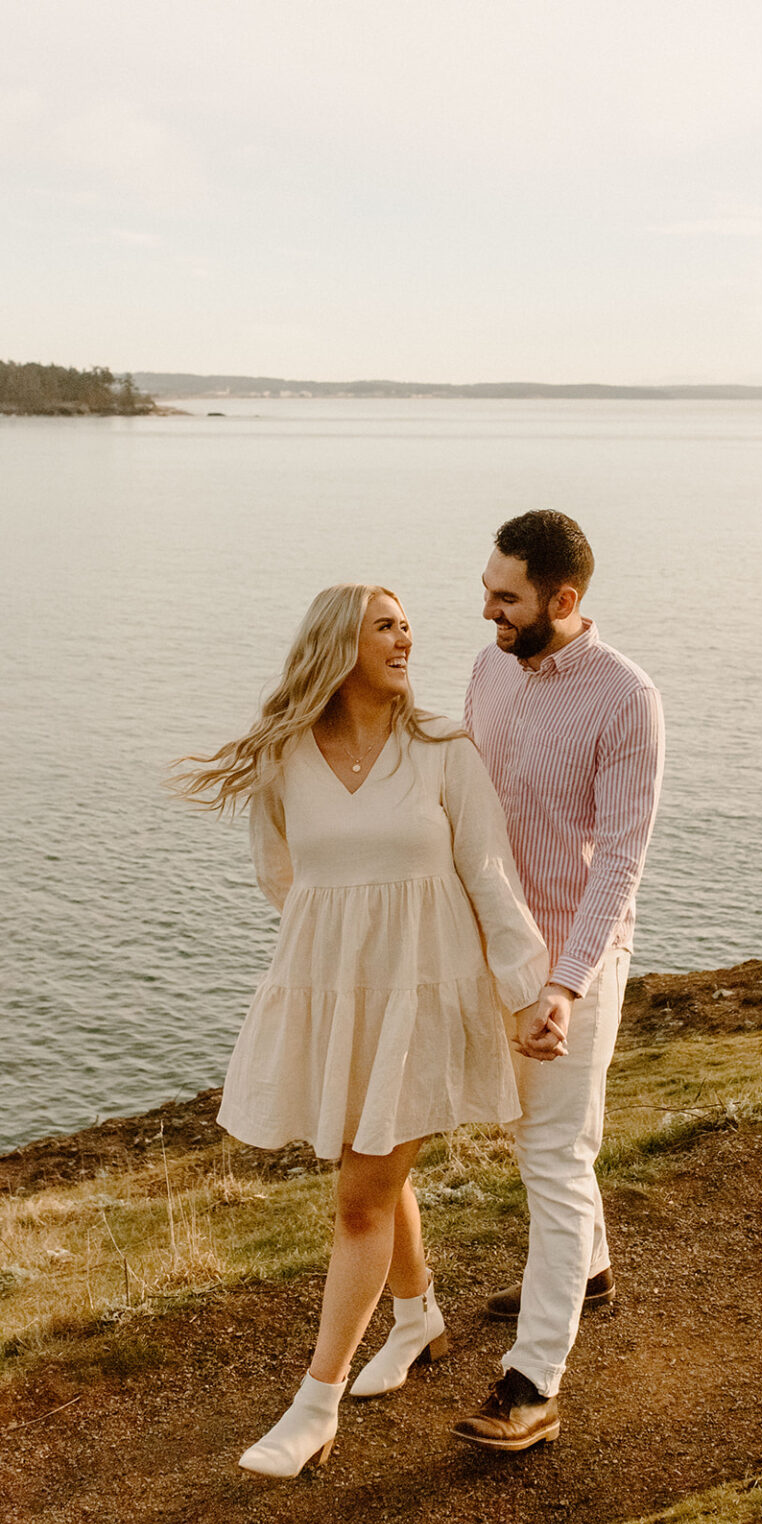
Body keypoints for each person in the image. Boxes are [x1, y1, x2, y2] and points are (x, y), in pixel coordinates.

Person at [173, 583, 547, 1478]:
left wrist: (528, 992)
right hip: (339, 996)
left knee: (358, 1197)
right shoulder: (283, 757)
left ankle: (315, 1405)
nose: (406, 636)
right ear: (339, 647)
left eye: (408, 623)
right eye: (386, 625)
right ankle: (417, 1318)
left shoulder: (444, 750)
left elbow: (489, 875)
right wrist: (339, 959)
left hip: (427, 996)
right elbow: (283, 877)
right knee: (363, 1161)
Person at [452, 510, 665, 1452]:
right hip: (499, 949)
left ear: (563, 600)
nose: (486, 610)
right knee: (539, 1134)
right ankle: (590, 1271)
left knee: (553, 1153)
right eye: (488, 588)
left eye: (506, 596)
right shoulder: (491, 666)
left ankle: (532, 1380)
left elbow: (621, 860)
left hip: (578, 958)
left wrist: (567, 986)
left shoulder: (626, 699)